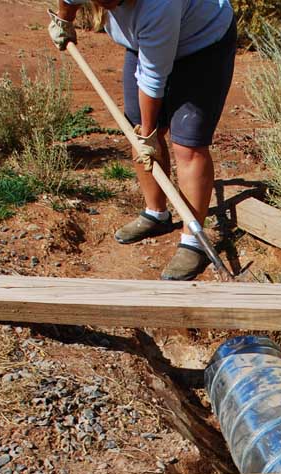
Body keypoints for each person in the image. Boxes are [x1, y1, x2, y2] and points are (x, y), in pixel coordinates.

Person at [49, 0, 236, 280]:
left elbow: (152, 79)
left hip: (202, 44)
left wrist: (147, 135)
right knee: (137, 129)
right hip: (145, 44)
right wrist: (64, 21)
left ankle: (192, 241)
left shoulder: (159, 6)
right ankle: (156, 214)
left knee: (188, 145)